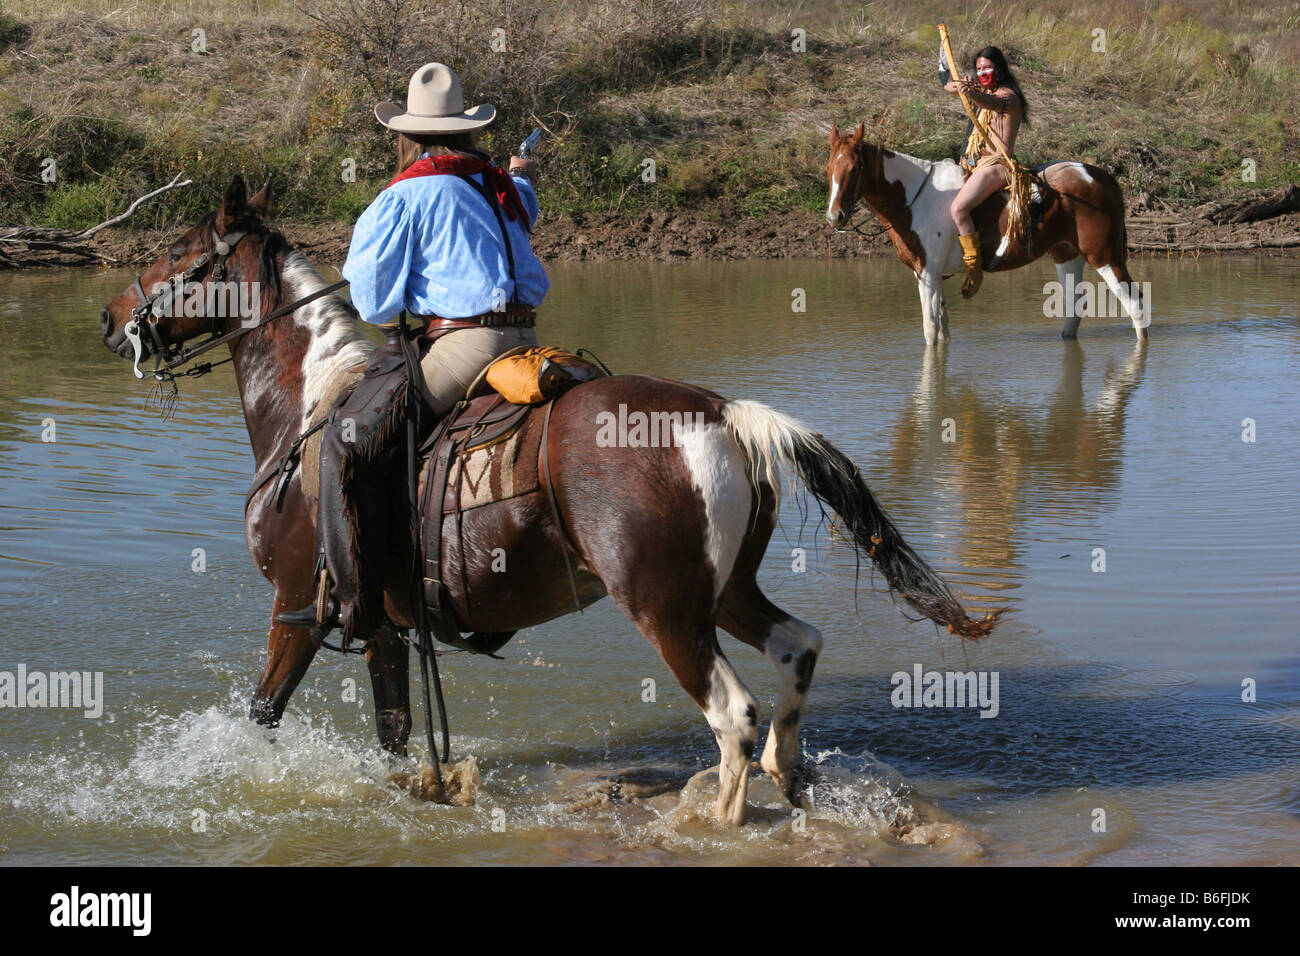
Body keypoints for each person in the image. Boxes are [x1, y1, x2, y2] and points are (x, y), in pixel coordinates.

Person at [278, 62, 549, 643]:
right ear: (467, 132)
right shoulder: (496, 185)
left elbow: (374, 305)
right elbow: (522, 207)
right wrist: (520, 173)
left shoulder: (406, 195)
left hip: (467, 343)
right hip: (529, 338)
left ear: (407, 134)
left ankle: (352, 597)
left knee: (343, 438)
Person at [943, 46, 1028, 298]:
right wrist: (960, 83)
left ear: (999, 68)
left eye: (988, 68)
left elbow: (991, 103)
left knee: (958, 209)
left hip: (998, 165)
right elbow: (948, 86)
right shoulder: (981, 90)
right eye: (979, 69)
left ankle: (974, 270)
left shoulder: (1008, 97)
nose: (983, 72)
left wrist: (970, 92)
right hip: (974, 165)